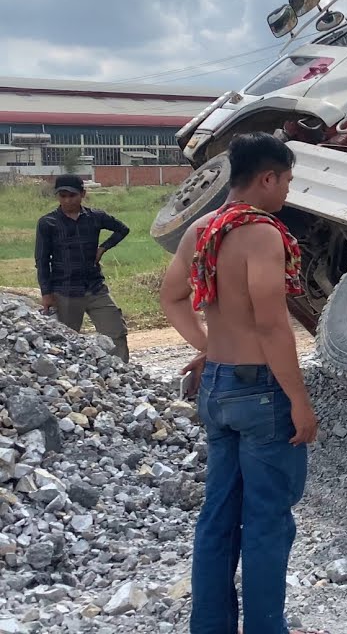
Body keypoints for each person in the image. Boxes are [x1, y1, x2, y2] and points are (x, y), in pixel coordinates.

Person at [158, 132, 319, 634]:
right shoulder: (262, 234)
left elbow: (172, 297)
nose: (288, 192)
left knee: (218, 517)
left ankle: (210, 627)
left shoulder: (201, 229)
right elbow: (272, 324)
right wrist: (299, 399)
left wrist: (207, 348)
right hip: (262, 393)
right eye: (287, 181)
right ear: (267, 177)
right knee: (268, 521)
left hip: (217, 389)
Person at [34, 174, 131, 362]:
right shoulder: (48, 223)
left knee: (116, 334)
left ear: (82, 194)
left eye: (72, 195)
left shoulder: (95, 217)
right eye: (62, 196)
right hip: (65, 291)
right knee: (65, 342)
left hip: (95, 288)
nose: (67, 200)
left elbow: (122, 229)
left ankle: (120, 374)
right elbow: (42, 259)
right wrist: (46, 294)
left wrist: (103, 248)